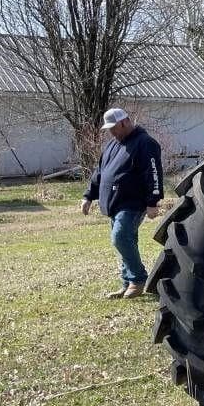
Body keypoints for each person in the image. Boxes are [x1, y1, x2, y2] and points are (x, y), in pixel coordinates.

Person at [80, 108, 164, 299]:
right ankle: (127, 282)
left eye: (114, 127)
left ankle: (138, 279)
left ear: (125, 122)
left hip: (133, 203)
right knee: (126, 241)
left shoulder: (145, 143)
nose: (111, 132)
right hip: (114, 204)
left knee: (120, 237)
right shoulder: (112, 145)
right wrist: (88, 196)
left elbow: (153, 173)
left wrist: (153, 201)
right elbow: (99, 173)